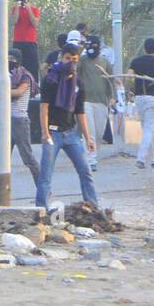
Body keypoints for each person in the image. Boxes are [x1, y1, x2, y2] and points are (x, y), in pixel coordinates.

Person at [36, 44, 99, 209]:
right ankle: (42, 209)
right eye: (67, 59)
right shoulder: (50, 79)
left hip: (71, 133)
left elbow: (80, 113)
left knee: (85, 170)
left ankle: (93, 207)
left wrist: (88, 138)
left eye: (74, 60)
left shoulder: (78, 83)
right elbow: (44, 108)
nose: (70, 63)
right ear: (61, 58)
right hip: (53, 133)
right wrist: (45, 133)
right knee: (46, 174)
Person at [128, 38, 154, 169]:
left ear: (144, 48)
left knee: (147, 128)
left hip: (139, 99)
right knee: (149, 129)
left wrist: (133, 90)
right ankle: (141, 158)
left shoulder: (135, 62)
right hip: (152, 98)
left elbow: (129, 78)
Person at [77, 34, 114, 171]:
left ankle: (93, 154)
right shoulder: (82, 60)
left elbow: (112, 81)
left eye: (94, 45)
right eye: (89, 46)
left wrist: (113, 97)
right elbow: (74, 69)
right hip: (85, 101)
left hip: (102, 102)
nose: (91, 48)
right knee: (89, 131)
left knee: (99, 133)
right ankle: (90, 160)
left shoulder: (105, 62)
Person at [7, 49, 42, 187]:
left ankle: (42, 188)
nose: (10, 61)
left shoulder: (25, 76)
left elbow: (19, 92)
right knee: (1, 159)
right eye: (8, 58)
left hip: (19, 121)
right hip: (6, 121)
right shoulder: (5, 75)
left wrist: (1, 88)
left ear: (19, 60)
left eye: (12, 58)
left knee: (28, 158)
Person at [11, 0, 41, 79]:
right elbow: (15, 20)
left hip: (30, 41)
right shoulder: (15, 8)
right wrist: (17, 5)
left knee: (32, 65)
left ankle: (34, 85)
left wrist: (28, 9)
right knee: (16, 64)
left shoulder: (34, 9)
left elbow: (35, 23)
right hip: (18, 41)